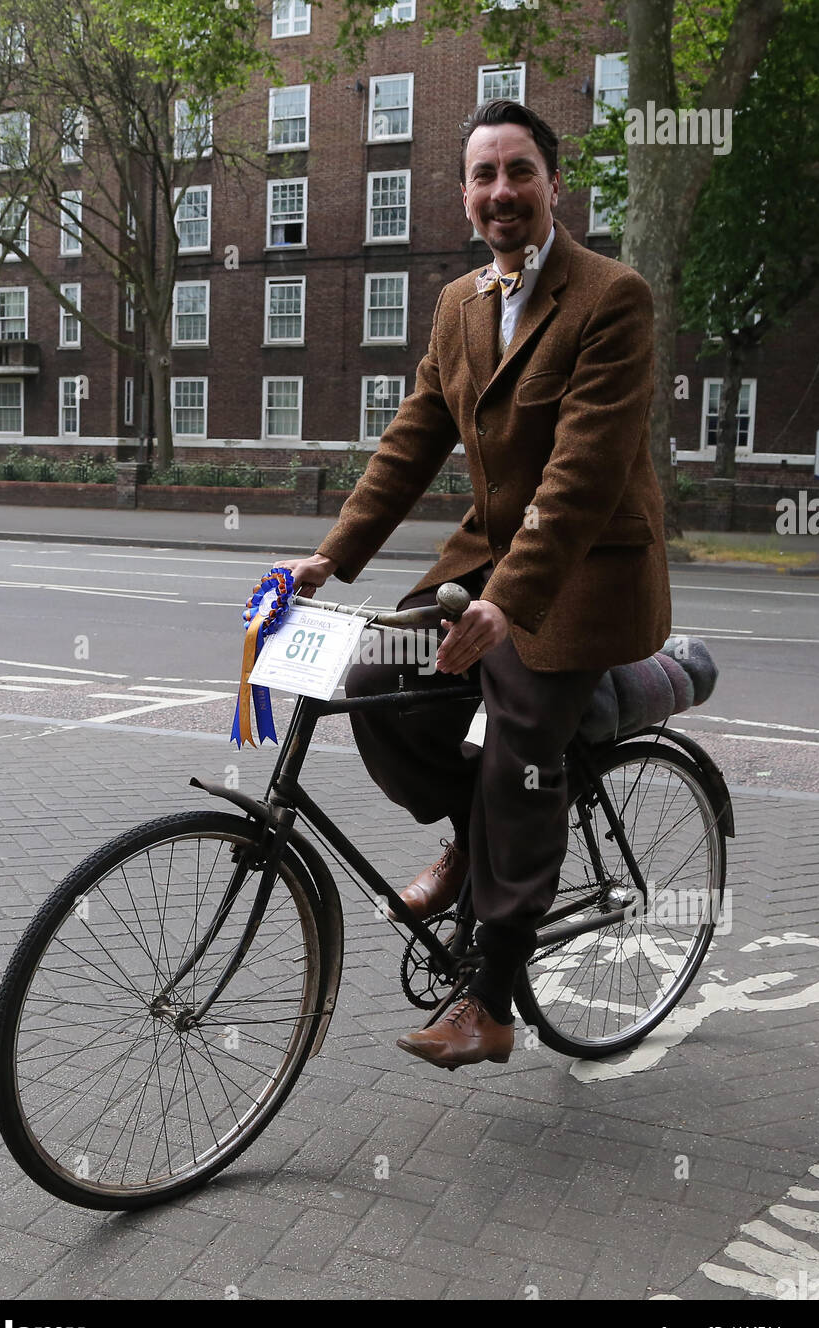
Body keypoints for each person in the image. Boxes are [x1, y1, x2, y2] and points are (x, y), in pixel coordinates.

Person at [286, 99, 672, 1071]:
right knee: (377, 677)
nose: (500, 190)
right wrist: (332, 555)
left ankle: (490, 997)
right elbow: (412, 438)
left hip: (583, 568)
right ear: (463, 195)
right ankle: (469, 840)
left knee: (518, 726)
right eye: (483, 174)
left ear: (552, 183)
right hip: (491, 557)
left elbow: (580, 473)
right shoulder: (460, 303)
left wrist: (511, 600)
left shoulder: (609, 299)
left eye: (518, 171)